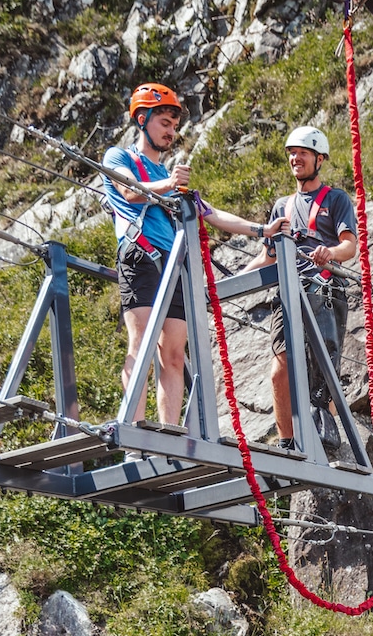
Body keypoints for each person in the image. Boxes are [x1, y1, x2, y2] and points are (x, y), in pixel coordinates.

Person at [101, 83, 285, 431]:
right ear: (142, 119)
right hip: (140, 257)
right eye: (164, 123)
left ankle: (169, 432)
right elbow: (127, 190)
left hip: (175, 268)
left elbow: (213, 215)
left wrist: (262, 230)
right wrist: (169, 184)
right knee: (140, 344)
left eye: (174, 125)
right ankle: (135, 432)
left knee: (171, 354)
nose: (171, 131)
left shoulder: (173, 180)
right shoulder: (120, 157)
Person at [249, 125, 358, 454]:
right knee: (279, 369)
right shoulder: (281, 206)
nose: (296, 158)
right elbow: (269, 256)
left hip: (324, 291)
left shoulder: (336, 199)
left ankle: (322, 436)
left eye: (303, 153)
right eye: (292, 153)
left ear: (319, 159)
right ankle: (287, 444)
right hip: (287, 292)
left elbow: (349, 246)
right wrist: (232, 280)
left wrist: (330, 254)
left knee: (323, 372)